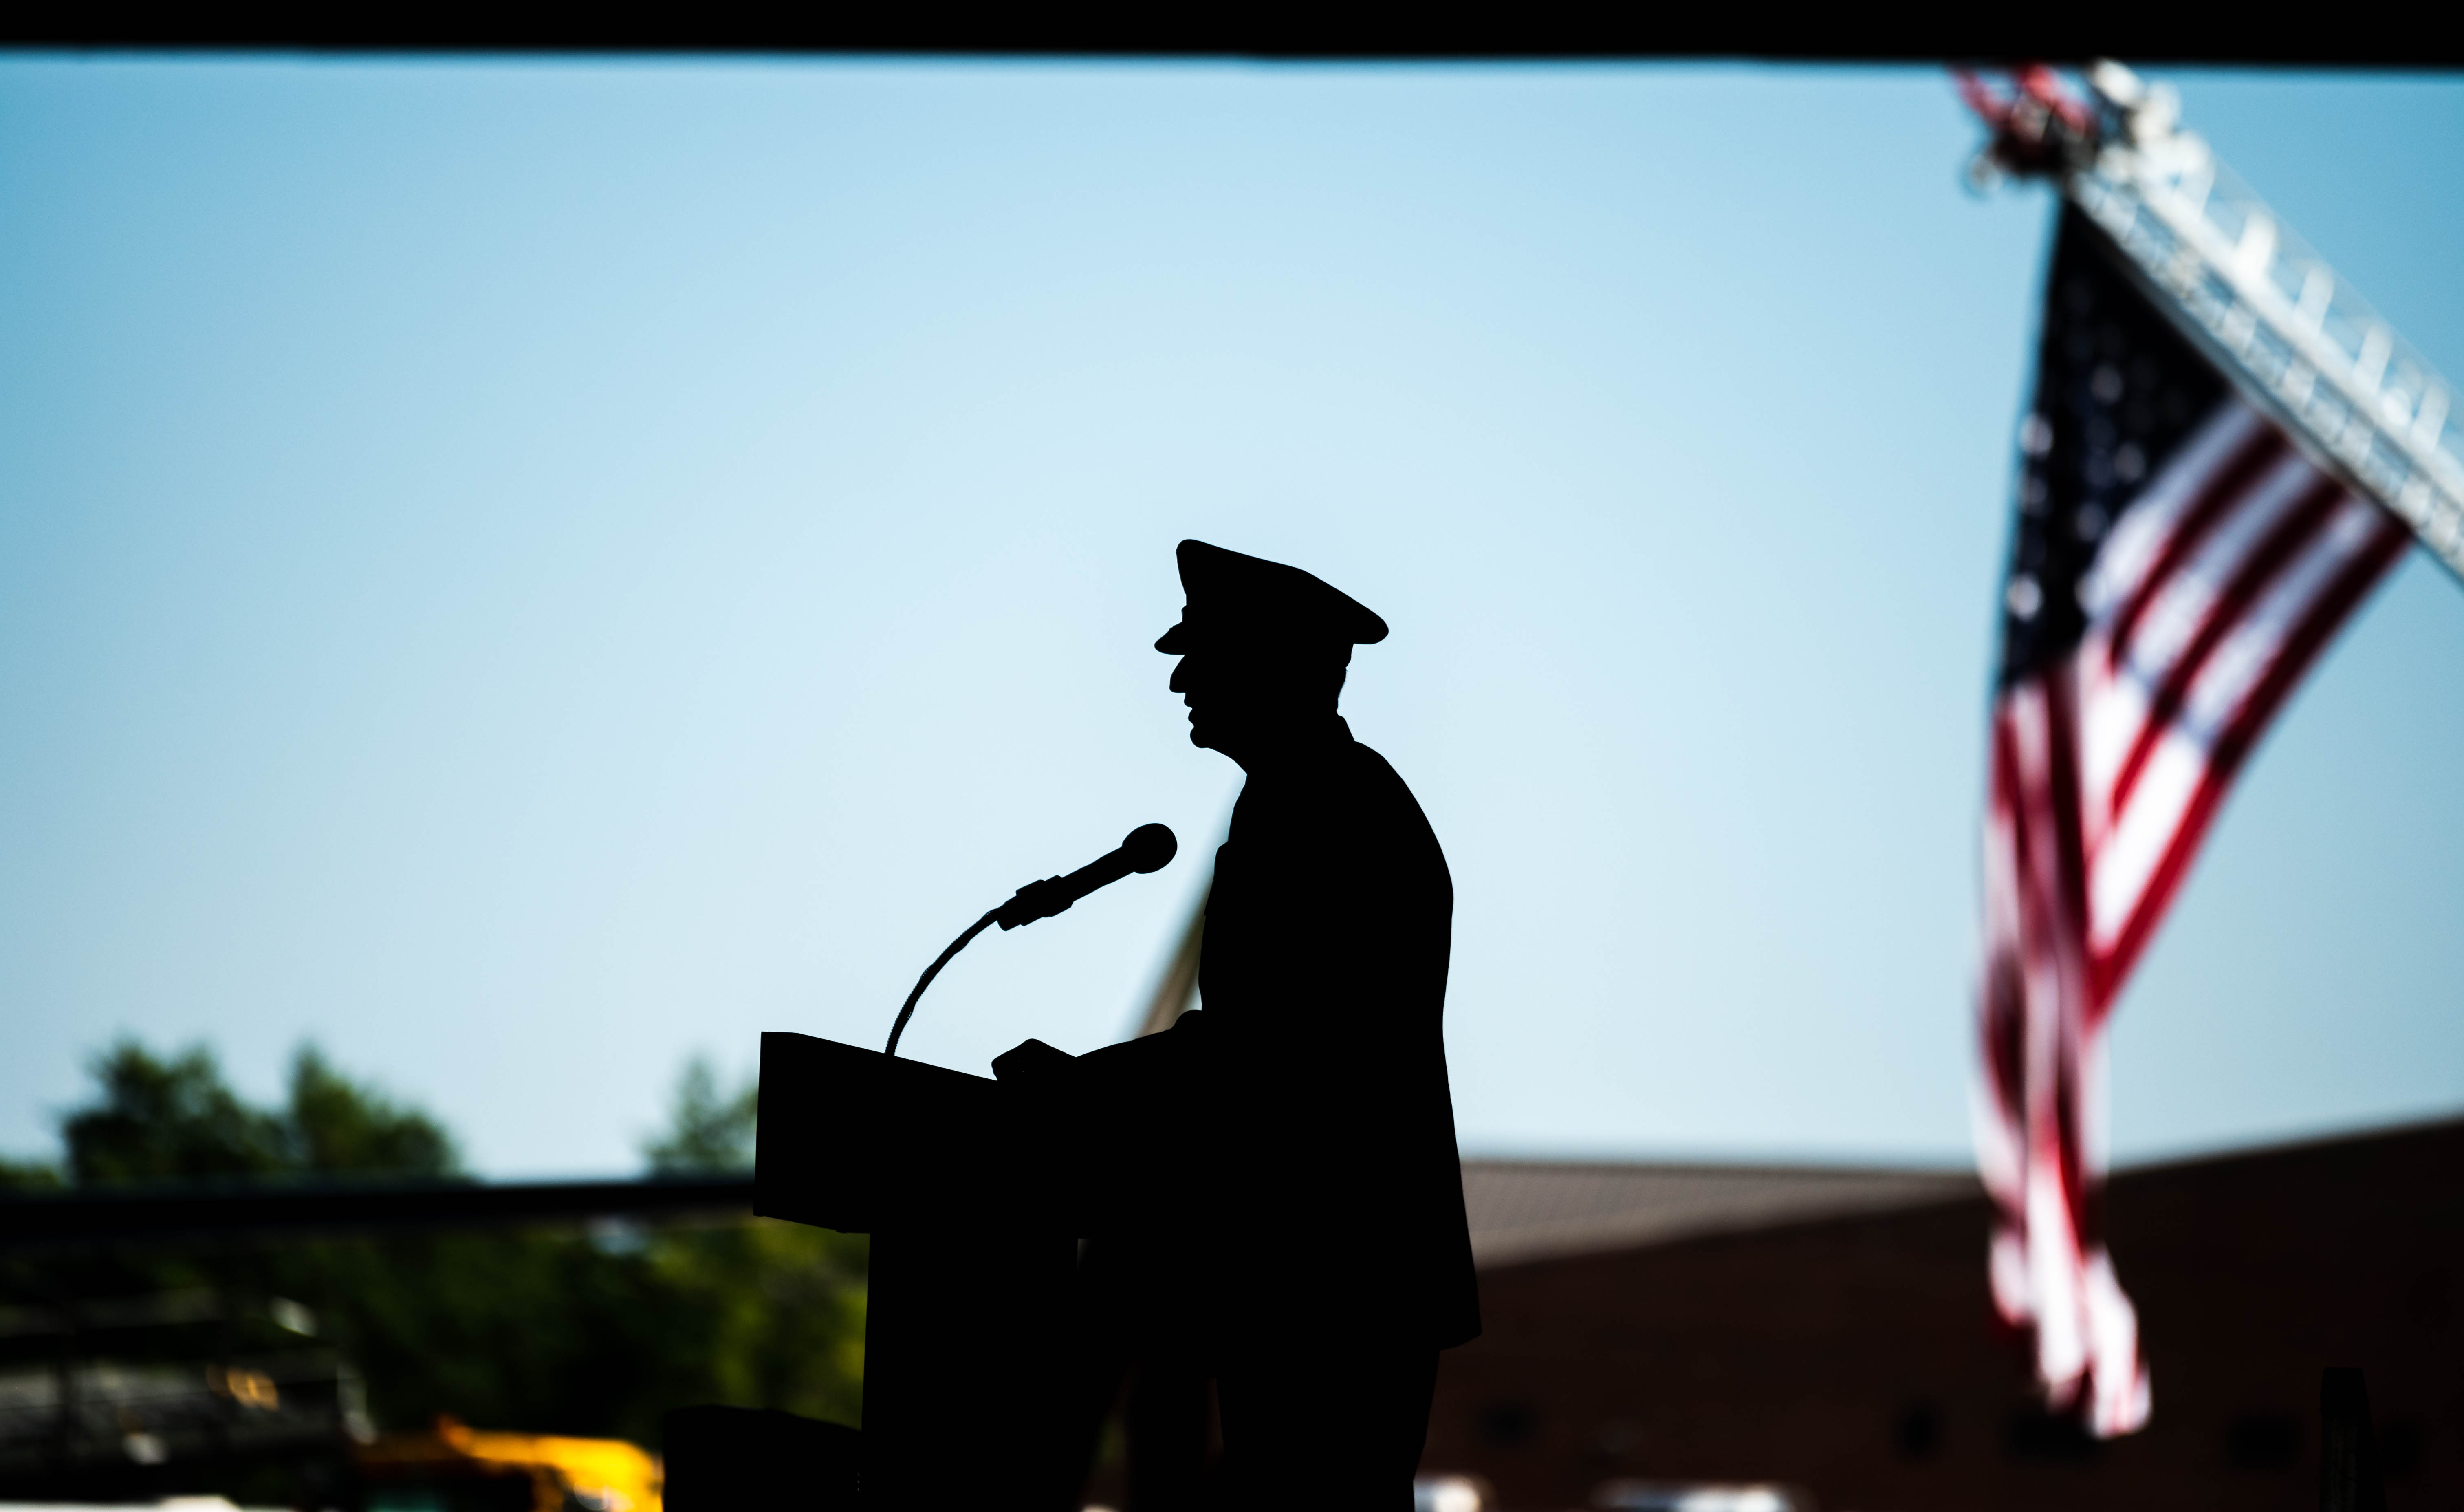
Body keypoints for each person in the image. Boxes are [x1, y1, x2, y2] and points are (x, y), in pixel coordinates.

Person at [1059, 540, 1480, 1511]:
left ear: (1273, 666)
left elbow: (1285, 1047)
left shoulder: (1332, 813)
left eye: (1202, 655)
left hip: (1340, 1275)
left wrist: (1088, 1087)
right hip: (1319, 1268)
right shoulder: (1295, 803)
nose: (1178, 678)